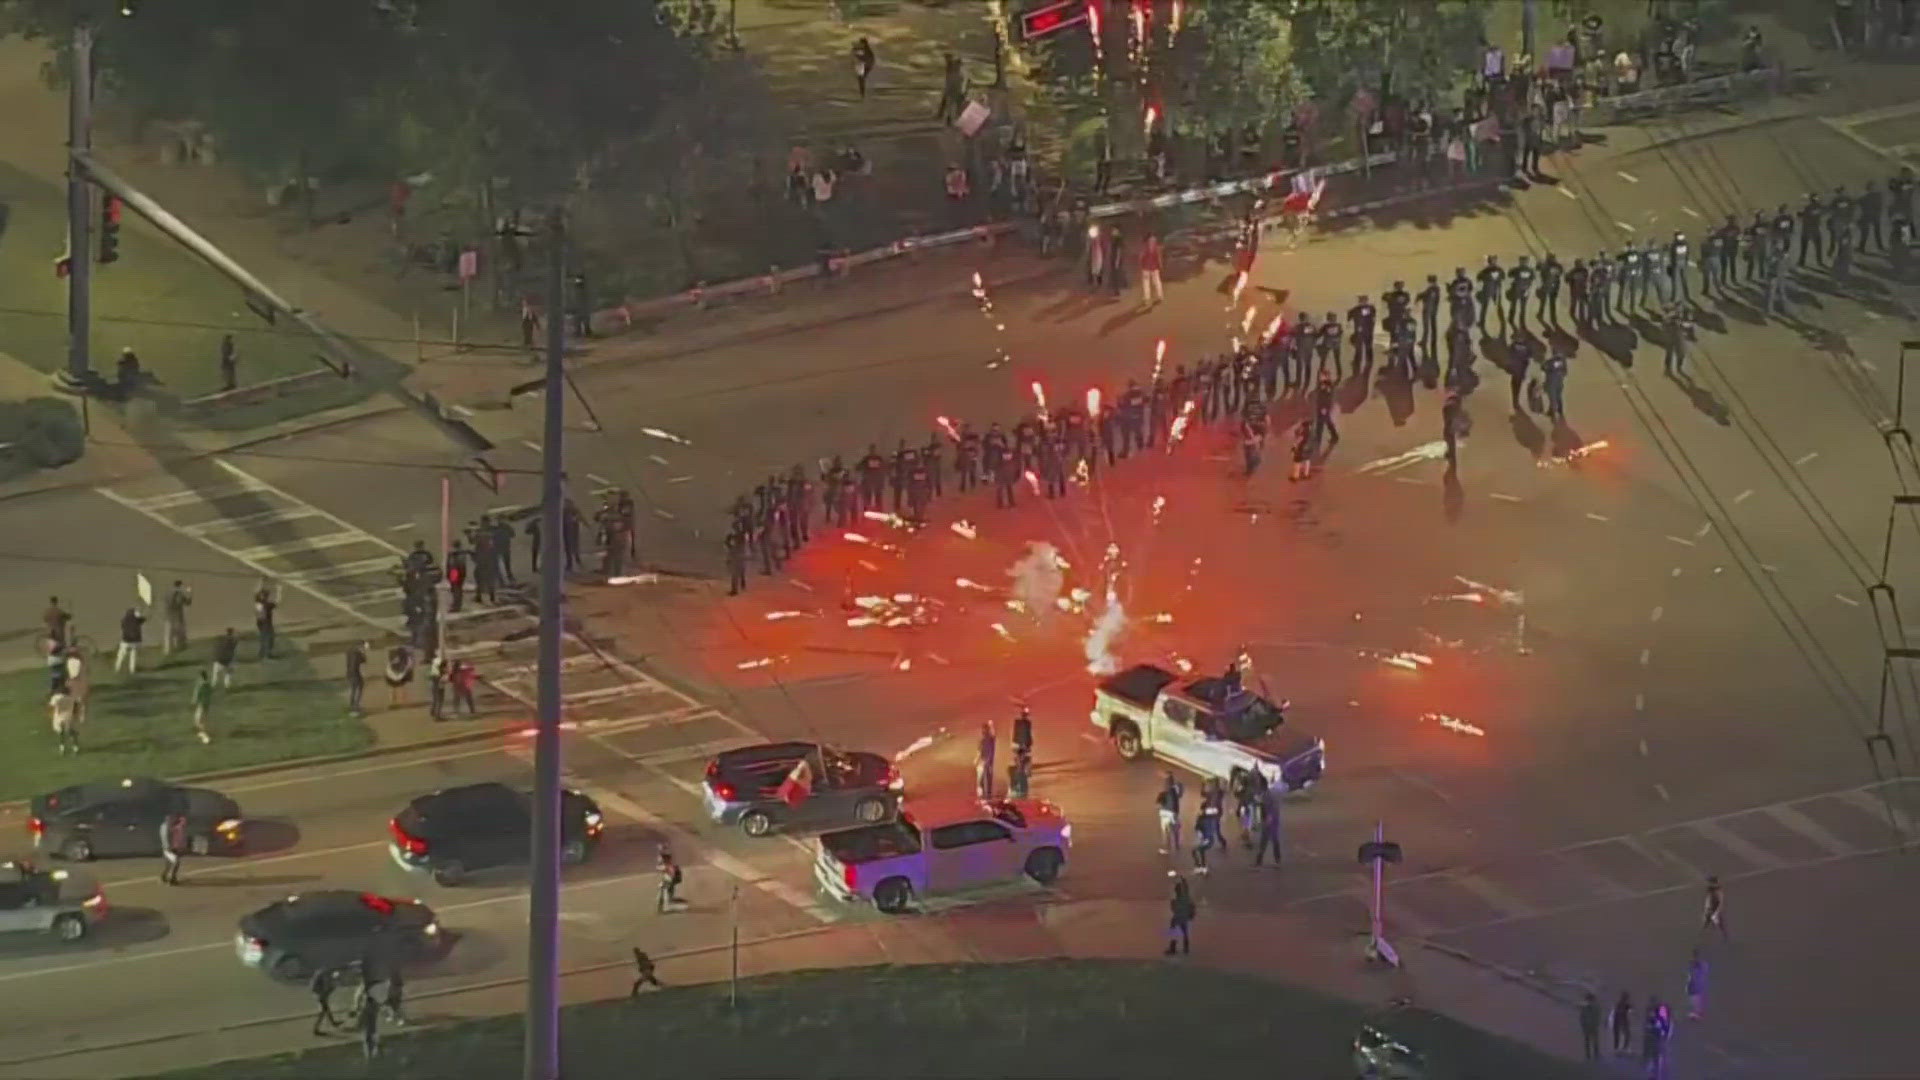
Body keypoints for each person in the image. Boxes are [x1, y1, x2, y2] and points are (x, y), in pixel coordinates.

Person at [1164, 875, 1195, 956]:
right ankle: (1185, 948)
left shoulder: (1179, 899)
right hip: (1183, 917)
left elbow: (1174, 909)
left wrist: (1183, 880)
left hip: (1178, 917)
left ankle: (1173, 948)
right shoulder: (1185, 897)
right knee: (1184, 932)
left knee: (1174, 932)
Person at [1155, 771, 1184, 857]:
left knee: (1166, 831)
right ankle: (1177, 844)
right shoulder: (1176, 789)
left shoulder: (1164, 791)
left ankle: (1167, 848)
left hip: (1165, 812)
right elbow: (1180, 794)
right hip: (1174, 812)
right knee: (1175, 829)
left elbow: (1158, 803)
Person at [163, 580, 192, 655]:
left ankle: (168, 650)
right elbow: (187, 602)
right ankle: (177, 648)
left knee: (169, 635)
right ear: (180, 586)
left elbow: (167, 602)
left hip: (169, 617)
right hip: (177, 617)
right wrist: (189, 593)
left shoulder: (168, 593)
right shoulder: (179, 594)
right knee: (178, 634)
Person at [310, 968, 342, 1035]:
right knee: (323, 1012)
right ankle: (316, 1029)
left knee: (326, 1009)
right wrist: (331, 988)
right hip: (320, 995)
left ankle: (333, 1023)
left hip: (319, 994)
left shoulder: (324, 975)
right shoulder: (326, 977)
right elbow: (326, 990)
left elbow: (325, 990)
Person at [116, 606, 146, 675]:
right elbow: (144, 619)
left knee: (121, 655)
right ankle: (132, 670)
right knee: (133, 655)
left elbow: (123, 626)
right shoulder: (138, 620)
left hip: (125, 641)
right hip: (135, 642)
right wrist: (139, 614)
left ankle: (117, 668)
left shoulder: (123, 620)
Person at [50, 686, 80, 755]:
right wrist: (75, 715)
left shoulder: (56, 698)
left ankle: (62, 748)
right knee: (72, 732)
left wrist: (51, 715)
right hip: (69, 716)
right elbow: (76, 706)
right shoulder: (71, 697)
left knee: (61, 733)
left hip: (58, 717)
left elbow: (52, 707)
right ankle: (75, 747)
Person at [158, 812, 186, 885]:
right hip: (168, 848)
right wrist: (168, 847)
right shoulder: (166, 827)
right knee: (176, 862)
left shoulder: (170, 827)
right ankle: (172, 879)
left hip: (170, 848)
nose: (172, 820)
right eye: (171, 818)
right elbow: (166, 837)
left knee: (168, 864)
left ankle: (163, 877)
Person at [656, 846, 687, 912]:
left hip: (670, 881)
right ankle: (665, 905)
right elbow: (660, 866)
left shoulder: (669, 866)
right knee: (663, 889)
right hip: (671, 881)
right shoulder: (669, 865)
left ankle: (667, 906)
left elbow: (661, 867)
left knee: (664, 889)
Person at [385, 643, 415, 709]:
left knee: (393, 688)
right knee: (401, 687)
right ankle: (402, 703)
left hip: (393, 673)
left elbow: (390, 663)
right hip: (400, 672)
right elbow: (410, 664)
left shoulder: (392, 653)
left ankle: (393, 703)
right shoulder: (406, 655)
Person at [190, 668, 214, 744]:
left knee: (198, 721)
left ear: (201, 677)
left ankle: (205, 737)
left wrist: (193, 703)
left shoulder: (200, 686)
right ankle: (203, 733)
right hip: (207, 705)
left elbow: (197, 695)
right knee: (203, 720)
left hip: (201, 705)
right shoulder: (209, 685)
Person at [345, 640, 367, 714]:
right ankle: (355, 706)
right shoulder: (357, 653)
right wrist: (363, 653)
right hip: (355, 673)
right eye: (363, 646)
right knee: (358, 688)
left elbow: (362, 660)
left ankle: (352, 706)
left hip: (350, 673)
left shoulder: (350, 651)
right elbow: (363, 660)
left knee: (354, 689)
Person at [1685, 948, 1708, 1020]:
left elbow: (1702, 971)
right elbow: (1690, 974)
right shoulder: (1693, 964)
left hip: (1697, 984)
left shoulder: (1701, 965)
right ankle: (1696, 1012)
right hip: (1695, 984)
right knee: (1694, 998)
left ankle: (1698, 1013)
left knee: (1697, 997)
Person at [1579, 991, 1602, 1062]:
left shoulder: (1593, 1007)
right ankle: (1591, 1055)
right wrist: (1583, 1025)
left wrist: (1584, 1025)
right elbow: (1582, 1017)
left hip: (1591, 1026)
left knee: (1591, 1041)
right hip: (1589, 1026)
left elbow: (1597, 1017)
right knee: (1591, 1041)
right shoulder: (1589, 1007)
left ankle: (1592, 1055)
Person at [1610, 990, 1634, 1055]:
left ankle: (1622, 1048)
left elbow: (1630, 1011)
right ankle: (1620, 1048)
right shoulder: (1621, 1004)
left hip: (1621, 1021)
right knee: (1622, 1035)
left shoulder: (1624, 1005)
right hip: (1620, 1021)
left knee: (1625, 1035)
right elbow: (1618, 1012)